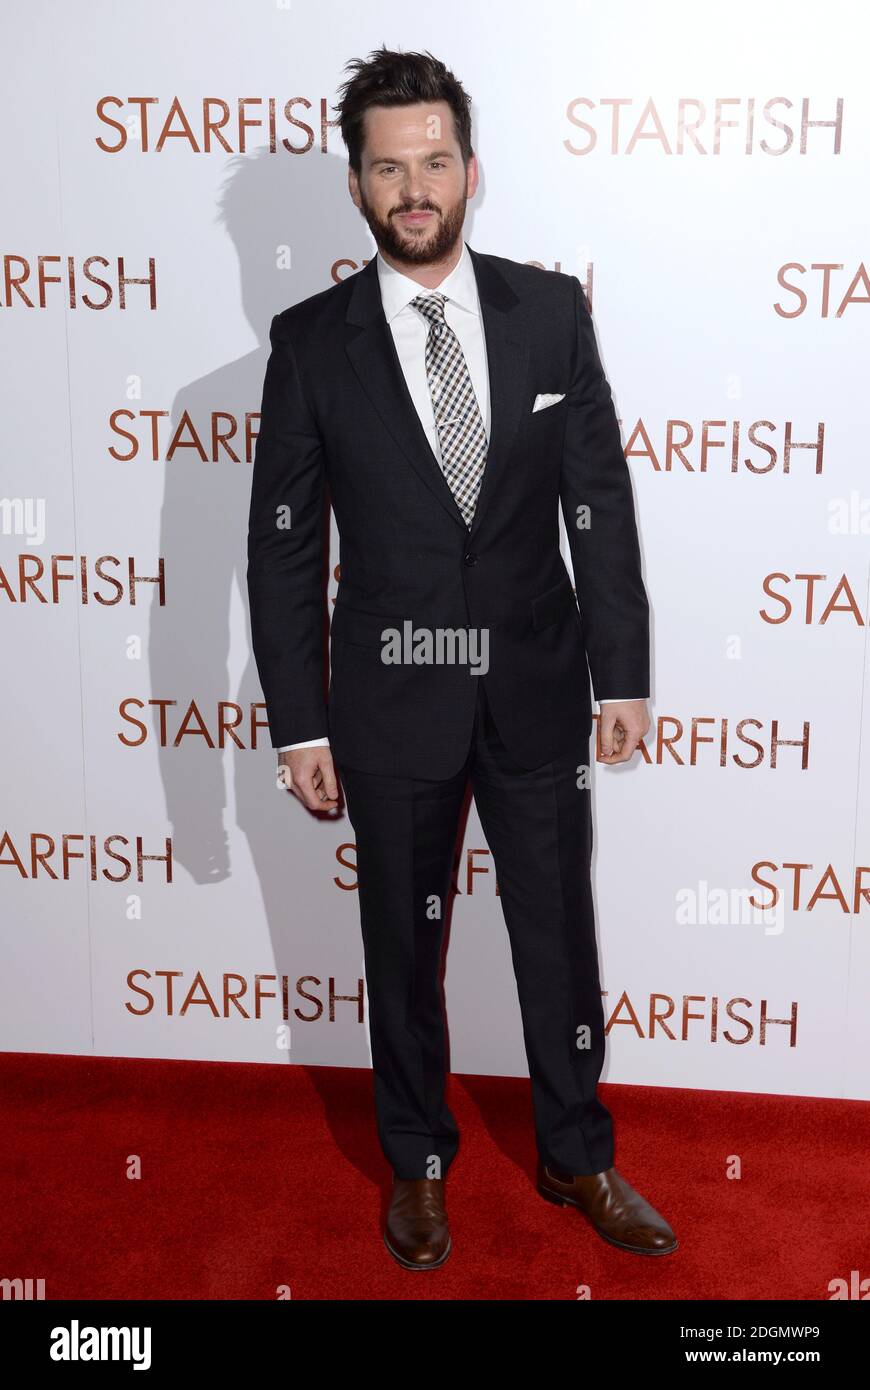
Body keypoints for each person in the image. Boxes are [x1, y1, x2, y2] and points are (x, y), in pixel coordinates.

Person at [247, 45, 677, 1269]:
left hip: (540, 686)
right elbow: (283, 549)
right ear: (357, 187)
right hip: (388, 702)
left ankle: (577, 1152)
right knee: (400, 941)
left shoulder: (550, 311)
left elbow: (597, 498)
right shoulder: (310, 345)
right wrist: (301, 720)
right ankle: (418, 1162)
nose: (416, 186)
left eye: (435, 160)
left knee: (559, 932)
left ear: (472, 170)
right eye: (390, 167)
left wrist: (623, 670)